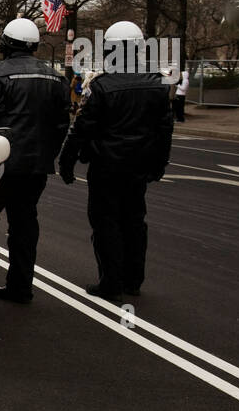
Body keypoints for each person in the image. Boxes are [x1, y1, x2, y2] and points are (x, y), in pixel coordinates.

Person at [58, 20, 173, 304]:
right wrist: (159, 165)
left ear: (110, 49)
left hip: (107, 167)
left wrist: (67, 162)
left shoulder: (102, 86)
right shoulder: (157, 84)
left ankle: (111, 282)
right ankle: (133, 280)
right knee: (134, 222)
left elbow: (82, 128)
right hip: (138, 167)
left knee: (105, 222)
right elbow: (164, 131)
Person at [0, 17, 71, 303]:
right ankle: (21, 286)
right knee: (25, 223)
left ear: (5, 44)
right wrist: (49, 154)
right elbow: (62, 124)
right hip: (36, 165)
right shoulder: (55, 77)